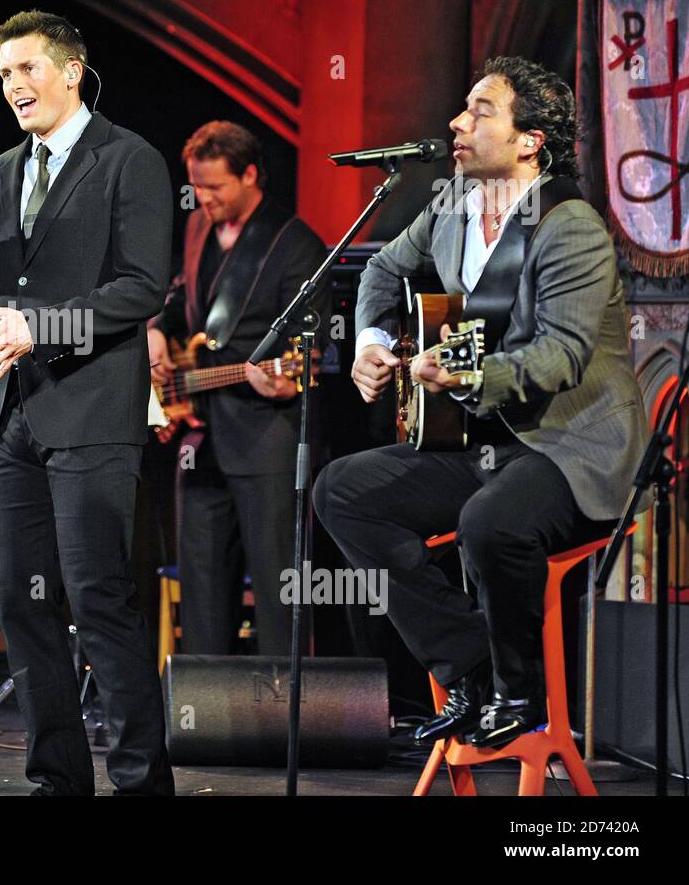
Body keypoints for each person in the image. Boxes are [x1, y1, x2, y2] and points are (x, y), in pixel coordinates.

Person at [312, 57, 646, 749]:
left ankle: (523, 695)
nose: (458, 123)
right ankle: (472, 666)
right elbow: (381, 267)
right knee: (344, 490)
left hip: (574, 446)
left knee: (489, 521)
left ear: (529, 142)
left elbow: (562, 356)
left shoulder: (569, 225)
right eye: (463, 109)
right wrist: (372, 340)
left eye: (481, 111)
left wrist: (464, 377)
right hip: (488, 440)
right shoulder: (451, 209)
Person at [0, 10, 174, 795]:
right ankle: (58, 779)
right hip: (12, 414)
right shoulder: (1, 171)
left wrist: (38, 328)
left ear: (72, 71)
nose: (14, 86)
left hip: (92, 414)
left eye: (28, 69)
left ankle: (144, 782)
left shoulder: (128, 160)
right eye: (4, 73)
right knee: (21, 603)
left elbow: (139, 288)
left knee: (99, 599)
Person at [148, 121, 324, 657]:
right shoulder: (200, 226)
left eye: (215, 188)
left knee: (278, 591)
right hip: (200, 437)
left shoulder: (295, 245)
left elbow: (311, 351)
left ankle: (277, 723)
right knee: (201, 591)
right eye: (197, 187)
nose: (203, 199)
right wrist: (157, 331)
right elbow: (183, 297)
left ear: (250, 176)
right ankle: (205, 724)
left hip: (265, 437)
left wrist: (278, 382)